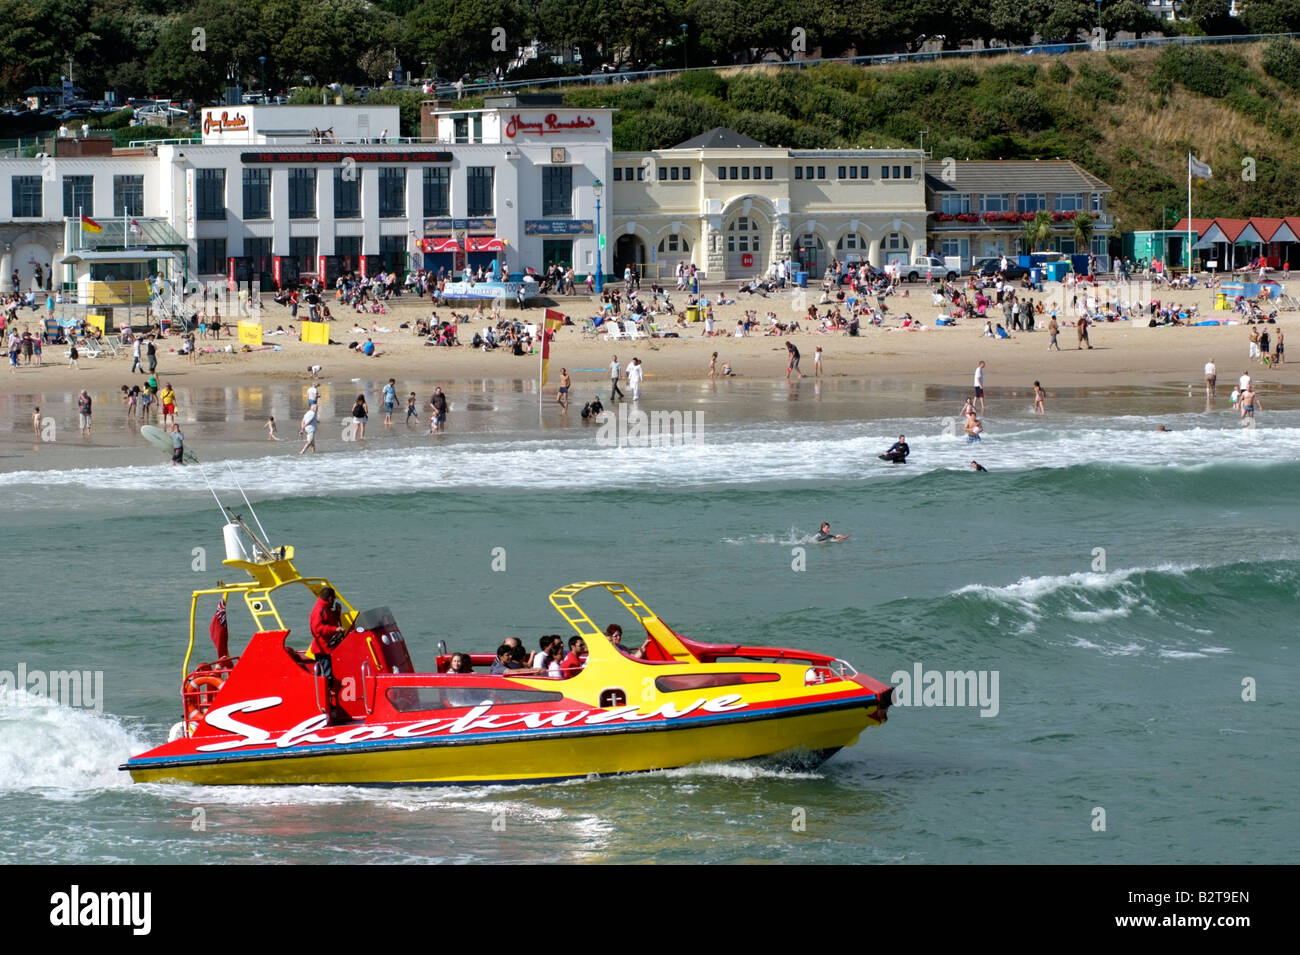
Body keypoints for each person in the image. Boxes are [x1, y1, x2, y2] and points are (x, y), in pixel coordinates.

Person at [308, 586, 350, 723]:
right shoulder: (319, 609)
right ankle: (324, 707)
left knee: (331, 676)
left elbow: (331, 621)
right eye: (334, 599)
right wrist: (335, 628)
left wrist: (337, 613)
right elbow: (317, 628)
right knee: (326, 677)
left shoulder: (325, 608)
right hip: (322, 650)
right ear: (330, 598)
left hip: (329, 648)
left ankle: (331, 704)